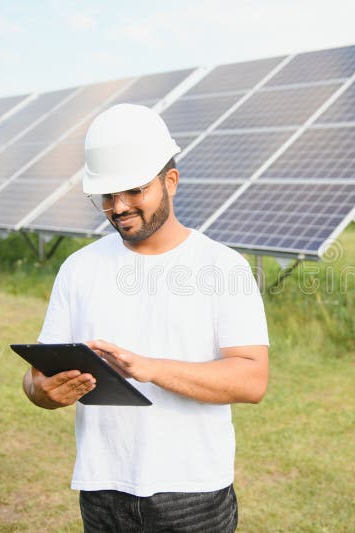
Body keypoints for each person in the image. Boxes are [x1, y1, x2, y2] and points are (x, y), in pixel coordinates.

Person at [21, 103, 270, 532]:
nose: (119, 207)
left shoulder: (223, 267)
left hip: (194, 495)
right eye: (108, 195)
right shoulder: (78, 269)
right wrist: (43, 391)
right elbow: (37, 378)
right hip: (103, 491)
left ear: (170, 181)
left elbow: (252, 380)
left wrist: (151, 368)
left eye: (134, 190)